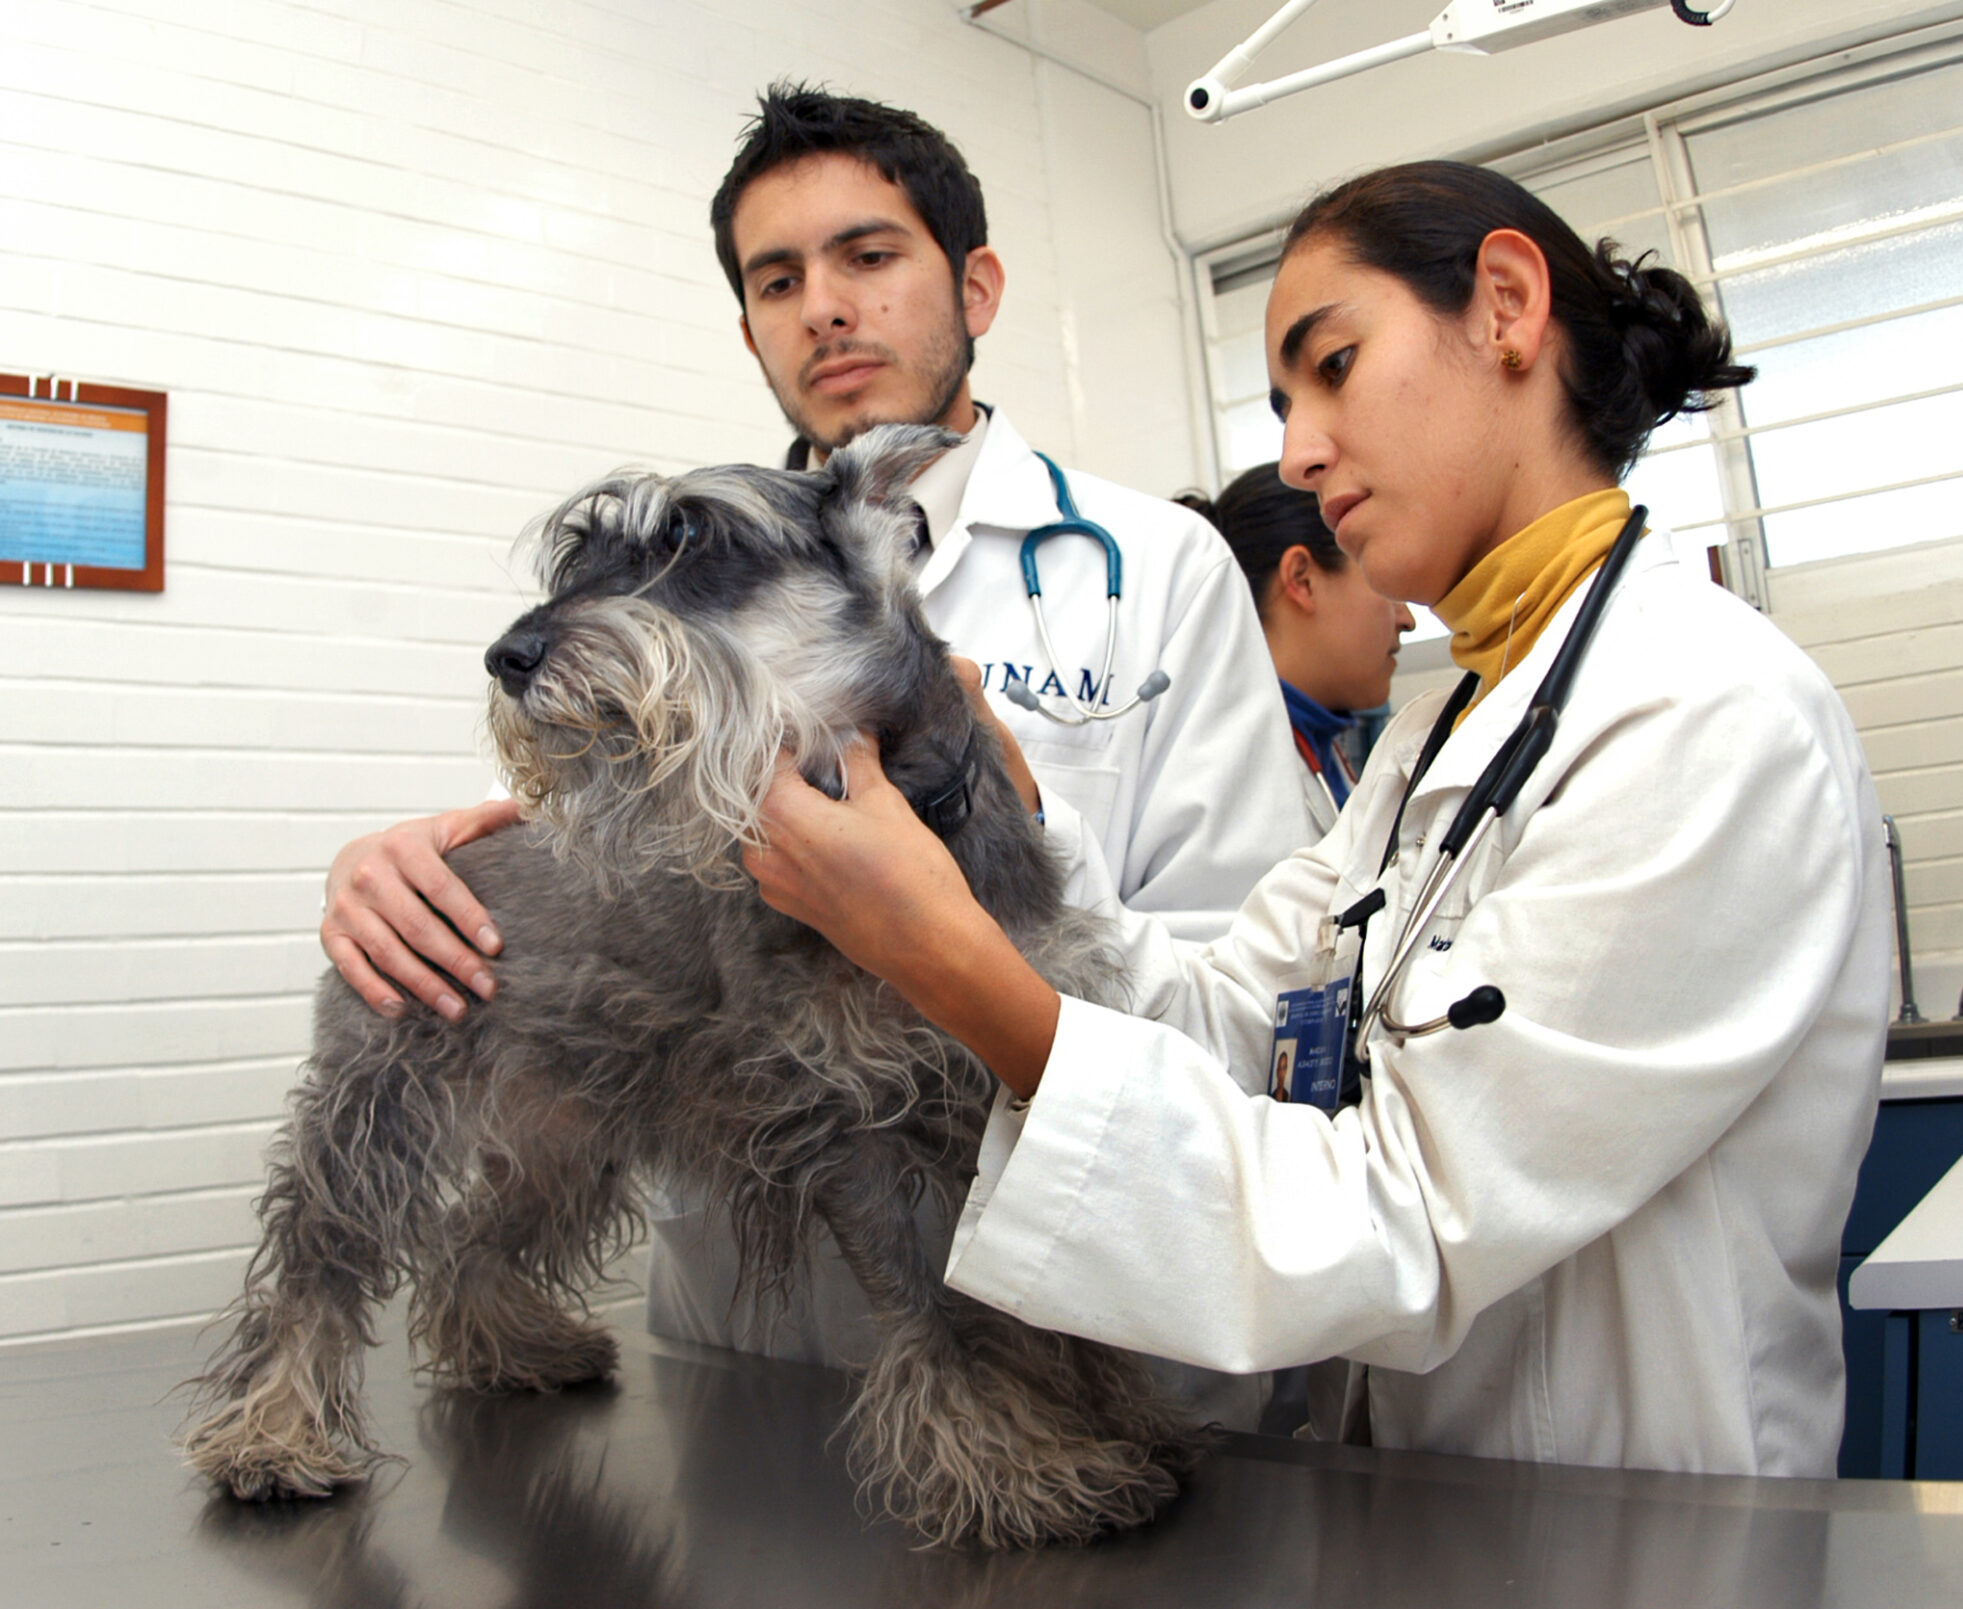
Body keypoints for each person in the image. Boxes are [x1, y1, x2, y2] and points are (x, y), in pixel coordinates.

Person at [742, 160, 1893, 1477]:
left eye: (1333, 366)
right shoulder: (1434, 739)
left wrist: (947, 964)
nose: (1295, 451)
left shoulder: (1710, 713)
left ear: (1507, 305)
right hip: (1435, 1505)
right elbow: (1233, 1025)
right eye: (1288, 400)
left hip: (1644, 1520)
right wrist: (1018, 816)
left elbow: (1404, 1219)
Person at [315, 86, 1319, 1422]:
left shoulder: (1155, 564)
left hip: (1092, 1312)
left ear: (976, 283)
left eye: (870, 256)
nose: (826, 308)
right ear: (749, 328)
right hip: (754, 1354)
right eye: (778, 279)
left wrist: (982, 862)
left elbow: (1241, 976)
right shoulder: (667, 573)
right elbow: (604, 852)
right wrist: (404, 862)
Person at [1182, 463, 1415, 829]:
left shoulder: (1318, 747)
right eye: (1382, 578)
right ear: (1303, 580)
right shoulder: (1230, 777)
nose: (1407, 619)